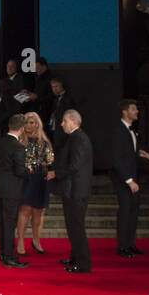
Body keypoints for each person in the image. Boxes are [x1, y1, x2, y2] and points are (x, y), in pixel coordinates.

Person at [49, 110, 93, 273]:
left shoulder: (78, 139)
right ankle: (76, 257)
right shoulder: (76, 138)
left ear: (74, 122)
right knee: (73, 226)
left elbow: (74, 165)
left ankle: (83, 264)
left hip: (76, 191)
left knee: (76, 227)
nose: (61, 124)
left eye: (64, 121)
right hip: (74, 190)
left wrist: (55, 173)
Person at [0, 114, 29, 268]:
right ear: (22, 129)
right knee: (9, 223)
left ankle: (3, 253)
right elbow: (20, 171)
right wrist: (29, 170)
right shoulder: (18, 147)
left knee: (1, 222)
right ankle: (10, 257)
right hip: (11, 189)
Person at [15, 111, 55, 257]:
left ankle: (36, 241)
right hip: (26, 179)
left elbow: (50, 159)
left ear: (37, 124)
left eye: (32, 122)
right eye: (26, 122)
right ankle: (20, 241)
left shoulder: (44, 142)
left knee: (39, 210)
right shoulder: (19, 141)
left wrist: (43, 162)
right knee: (25, 209)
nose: (29, 125)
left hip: (41, 178)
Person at [113, 99, 144, 258]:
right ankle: (122, 246)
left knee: (133, 211)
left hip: (133, 178)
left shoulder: (133, 130)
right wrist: (129, 180)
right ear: (125, 112)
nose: (136, 112)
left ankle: (130, 244)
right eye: (134, 109)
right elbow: (117, 158)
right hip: (124, 180)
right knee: (125, 211)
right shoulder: (118, 130)